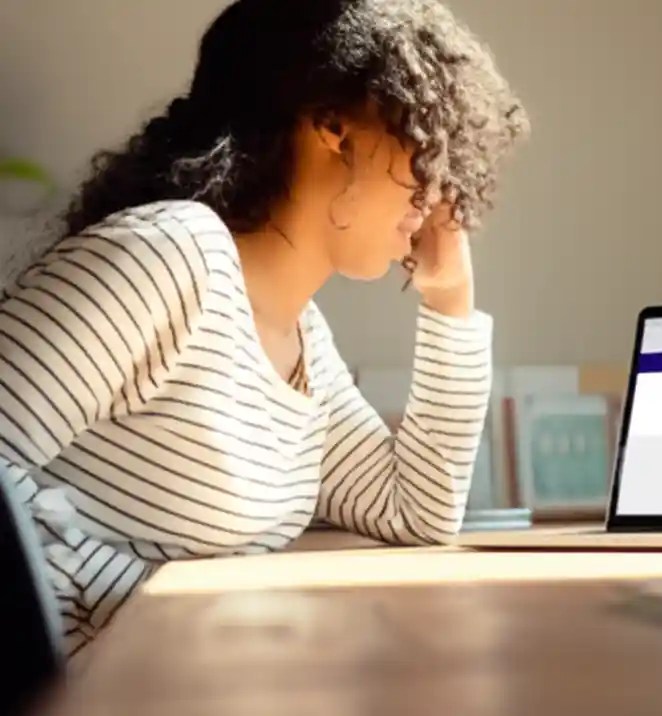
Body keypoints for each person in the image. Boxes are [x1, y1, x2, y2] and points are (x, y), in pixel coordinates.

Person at [0, 0, 528, 657]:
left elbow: (415, 511)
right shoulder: (172, 255)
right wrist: (159, 604)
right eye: (422, 138)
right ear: (332, 126)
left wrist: (451, 302)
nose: (439, 186)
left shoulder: (301, 336)